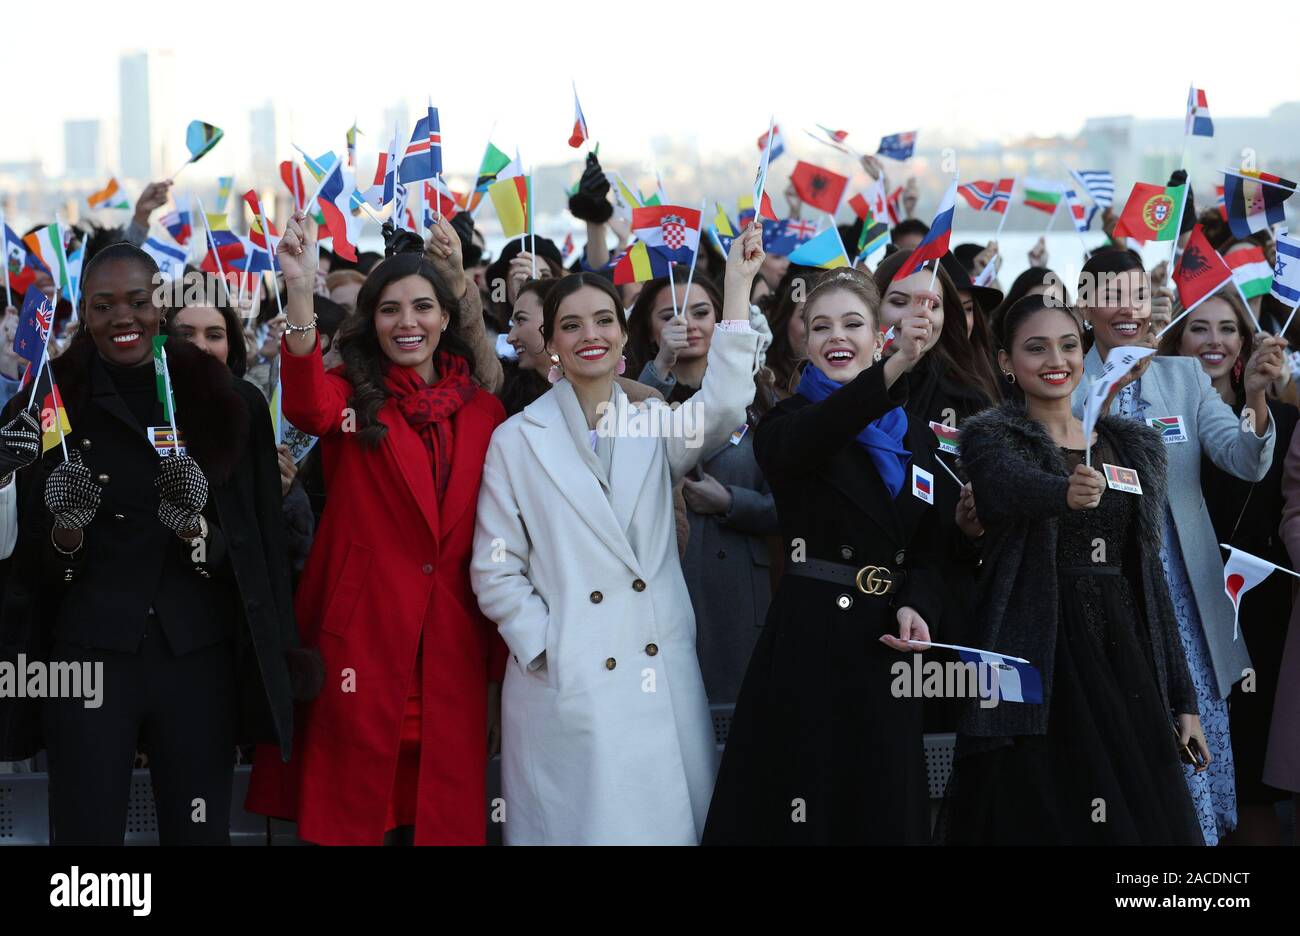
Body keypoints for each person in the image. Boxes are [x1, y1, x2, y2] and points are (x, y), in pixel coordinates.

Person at [0, 242, 309, 844]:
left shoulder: (224, 400)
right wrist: (65, 531)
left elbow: (258, 553)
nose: (123, 318)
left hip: (196, 656)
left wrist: (197, 528)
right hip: (86, 660)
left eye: (138, 302)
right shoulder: (47, 404)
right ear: (82, 314)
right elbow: (24, 566)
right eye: (103, 305)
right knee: (86, 840)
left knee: (198, 832)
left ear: (159, 306)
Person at [470, 226, 764, 845]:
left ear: (626, 334)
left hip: (655, 673)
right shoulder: (516, 440)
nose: (590, 335)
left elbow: (725, 405)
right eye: (571, 325)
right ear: (550, 342)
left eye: (604, 320)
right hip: (566, 684)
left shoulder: (654, 421)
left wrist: (736, 288)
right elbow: (495, 568)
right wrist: (548, 647)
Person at [244, 213, 507, 845]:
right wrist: (302, 289)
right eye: (390, 310)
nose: (407, 323)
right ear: (372, 321)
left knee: (441, 813)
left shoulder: (485, 410)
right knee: (359, 813)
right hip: (362, 641)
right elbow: (305, 405)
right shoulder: (350, 396)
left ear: (446, 319)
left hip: (453, 643)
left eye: (422, 308)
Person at [939, 294, 1205, 845]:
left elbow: (1149, 578)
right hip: (1035, 652)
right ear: (1007, 362)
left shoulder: (1131, 445)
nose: (1054, 359)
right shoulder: (994, 437)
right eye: (1035, 348)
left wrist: (1183, 702)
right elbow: (999, 488)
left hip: (1124, 651)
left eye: (1066, 344)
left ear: (1085, 352)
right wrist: (1063, 491)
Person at [703, 266, 944, 845]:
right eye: (821, 326)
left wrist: (916, 602)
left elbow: (929, 545)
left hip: (890, 648)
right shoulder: (785, 423)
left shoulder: (915, 433)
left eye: (853, 323)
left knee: (883, 806)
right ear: (804, 341)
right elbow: (823, 433)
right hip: (811, 639)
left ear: (876, 334)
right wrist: (894, 369)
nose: (838, 336)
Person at [1072, 248, 1286, 844]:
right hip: (1108, 589)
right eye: (1110, 296)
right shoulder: (1070, 378)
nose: (1127, 308)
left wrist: (1259, 401)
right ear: (1086, 305)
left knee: (1196, 755)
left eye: (1136, 295)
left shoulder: (1183, 376)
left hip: (1186, 598)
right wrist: (1108, 389)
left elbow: (1243, 458)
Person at [1159, 287, 1297, 843]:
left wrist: (1260, 401)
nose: (1213, 341)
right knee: (1193, 762)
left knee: (1254, 770)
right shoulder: (1154, 413)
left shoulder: (1282, 421)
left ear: (1244, 342)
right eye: (1199, 328)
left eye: (1227, 329)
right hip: (1182, 603)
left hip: (1256, 606)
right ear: (1178, 340)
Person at [625, 269, 779, 703]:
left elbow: (787, 506)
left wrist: (732, 502)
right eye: (668, 315)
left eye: (700, 312)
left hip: (736, 591)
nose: (687, 323)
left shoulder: (761, 398)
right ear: (647, 329)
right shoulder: (630, 397)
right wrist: (659, 371)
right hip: (662, 582)